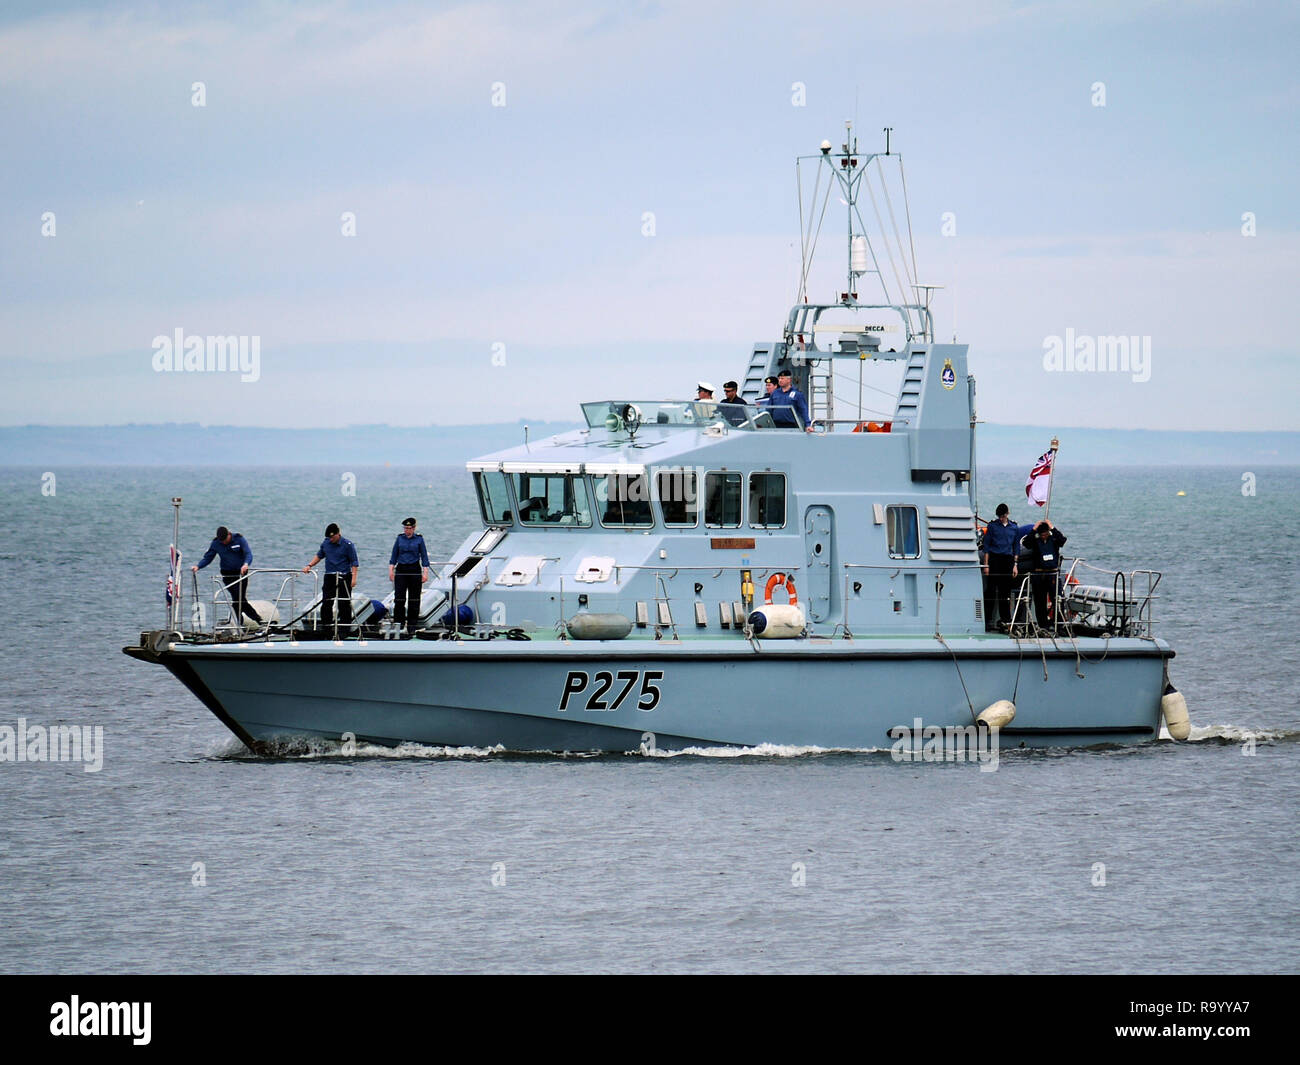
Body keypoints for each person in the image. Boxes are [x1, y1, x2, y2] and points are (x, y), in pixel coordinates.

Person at [192, 526, 264, 628]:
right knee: (237, 599)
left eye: (225, 540)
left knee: (239, 599)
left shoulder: (239, 539)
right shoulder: (216, 543)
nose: (223, 543)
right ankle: (254, 620)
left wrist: (246, 564)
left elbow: (248, 554)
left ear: (229, 535)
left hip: (241, 573)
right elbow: (208, 557)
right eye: (221, 541)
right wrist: (198, 566)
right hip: (227, 574)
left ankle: (243, 621)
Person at [304, 523, 360, 631]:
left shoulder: (347, 544)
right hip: (330, 576)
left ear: (338, 534)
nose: (331, 540)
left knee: (344, 603)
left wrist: (353, 579)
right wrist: (309, 565)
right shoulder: (326, 543)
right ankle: (327, 627)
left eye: (332, 537)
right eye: (329, 537)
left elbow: (354, 562)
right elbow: (319, 555)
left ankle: (345, 628)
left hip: (344, 576)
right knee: (327, 602)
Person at [980, 503, 1021, 631]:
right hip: (995, 559)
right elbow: (987, 546)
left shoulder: (1014, 527)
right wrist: (986, 565)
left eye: (1004, 516)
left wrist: (1015, 565)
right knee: (991, 591)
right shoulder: (992, 526)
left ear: (1007, 514)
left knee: (1005, 592)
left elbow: (1016, 547)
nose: (1002, 518)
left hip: (1008, 561)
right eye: (1000, 516)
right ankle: (987, 620)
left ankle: (1005, 620)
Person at [388, 517, 430, 636]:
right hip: (401, 569)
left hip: (414, 569)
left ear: (414, 528)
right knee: (399, 598)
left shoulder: (419, 539)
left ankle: (412, 626)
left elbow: (424, 557)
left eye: (409, 528)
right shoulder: (400, 538)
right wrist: (391, 571)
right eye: (406, 528)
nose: (407, 530)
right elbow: (394, 555)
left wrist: (425, 573)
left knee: (414, 599)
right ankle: (399, 624)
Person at [1022, 519, 1067, 630]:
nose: (1044, 536)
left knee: (1057, 600)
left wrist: (1052, 527)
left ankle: (1058, 624)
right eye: (1042, 534)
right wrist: (1034, 529)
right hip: (1039, 574)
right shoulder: (1035, 540)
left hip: (1052, 574)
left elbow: (1062, 540)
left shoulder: (1054, 539)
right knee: (1040, 602)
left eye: (1045, 534)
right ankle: (1043, 625)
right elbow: (1026, 543)